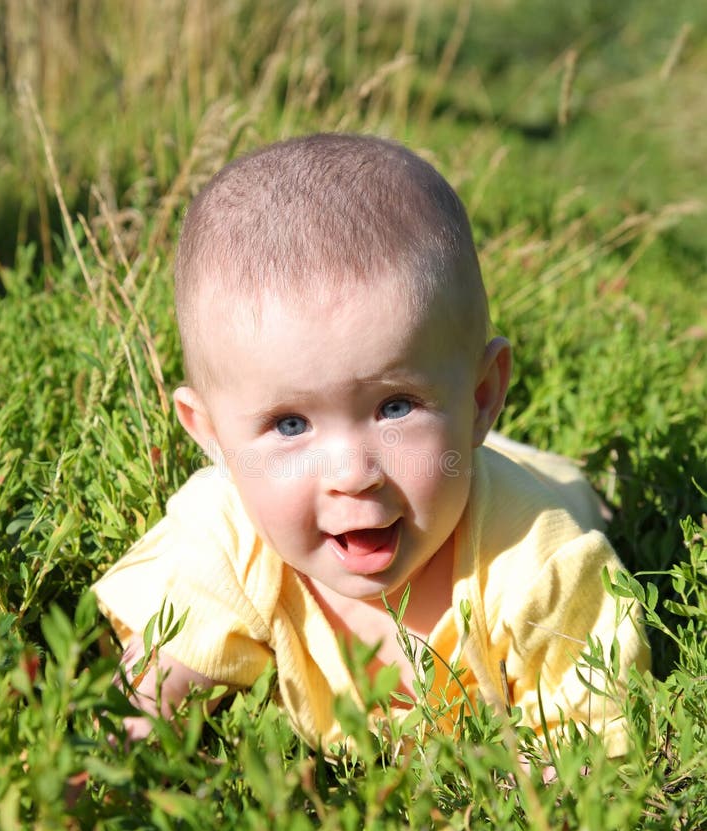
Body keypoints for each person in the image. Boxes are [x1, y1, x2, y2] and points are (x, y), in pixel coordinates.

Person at [93, 133, 650, 756]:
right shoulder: (226, 541)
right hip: (453, 461)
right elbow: (140, 711)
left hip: (535, 485)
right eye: (290, 424)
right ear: (214, 437)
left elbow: (597, 758)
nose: (352, 474)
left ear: (481, 397)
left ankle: (561, 473)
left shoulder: (541, 569)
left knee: (562, 490)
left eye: (394, 406)